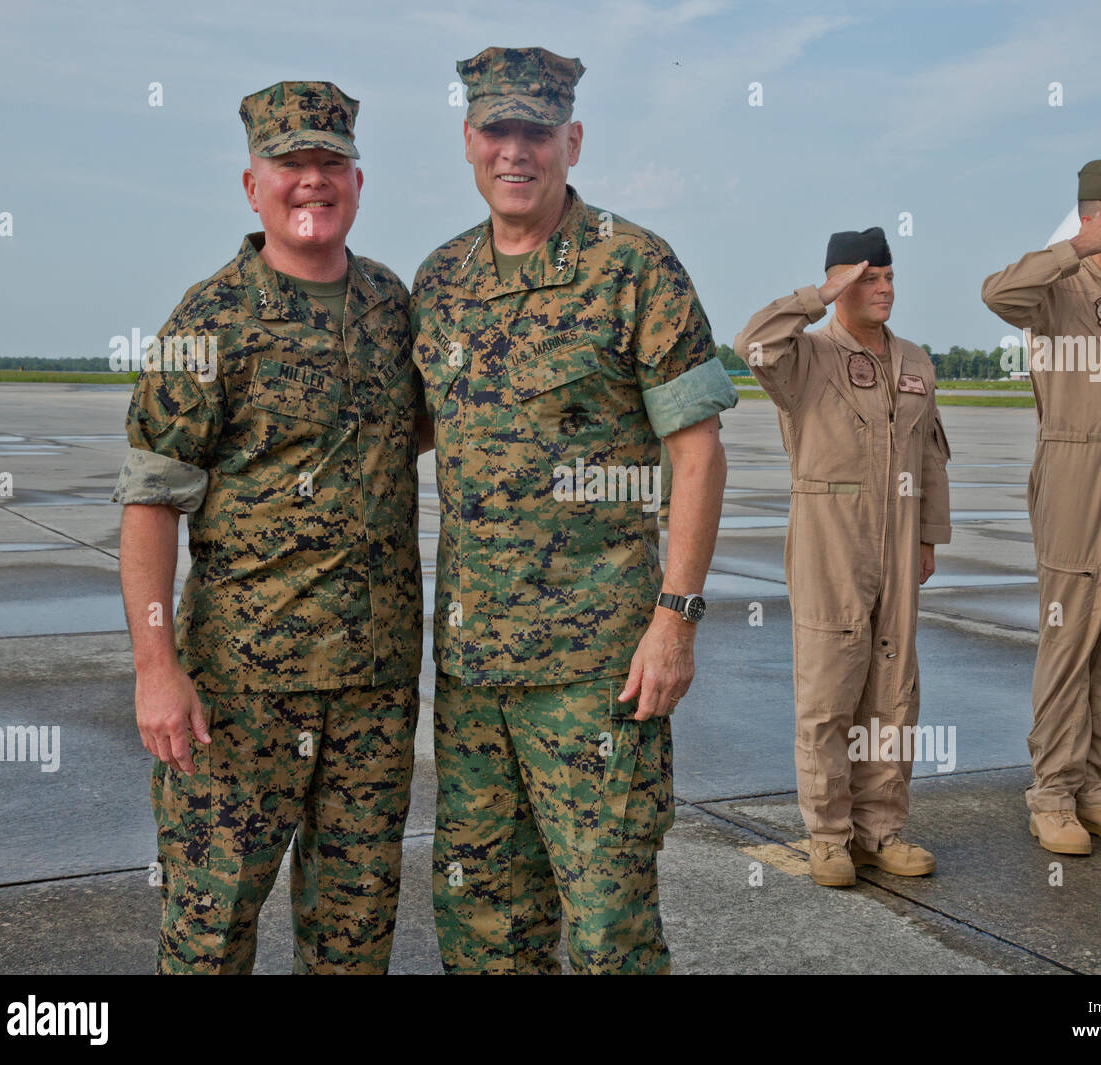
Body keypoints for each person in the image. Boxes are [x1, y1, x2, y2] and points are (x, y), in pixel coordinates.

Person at [410, 46, 737, 973]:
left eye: (536, 133)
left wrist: (675, 618)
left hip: (595, 674)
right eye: (496, 131)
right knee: (482, 924)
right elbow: (414, 432)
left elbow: (697, 453)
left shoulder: (634, 266)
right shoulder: (440, 284)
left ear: (572, 141)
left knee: (608, 928)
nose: (516, 152)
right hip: (473, 673)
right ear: (469, 141)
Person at [112, 81, 426, 972]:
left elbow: (428, 426)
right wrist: (155, 668)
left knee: (354, 940)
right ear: (254, 185)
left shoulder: (391, 308)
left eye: (331, 163)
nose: (312, 182)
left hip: (373, 691)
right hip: (239, 697)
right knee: (210, 933)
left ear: (357, 182)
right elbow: (148, 504)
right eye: (292, 164)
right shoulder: (205, 322)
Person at [735, 227, 950, 887]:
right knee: (829, 692)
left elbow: (932, 455)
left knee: (893, 694)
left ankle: (880, 828)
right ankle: (828, 836)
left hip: (897, 537)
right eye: (868, 279)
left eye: (888, 277)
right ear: (839, 284)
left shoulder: (915, 360)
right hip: (830, 536)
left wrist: (927, 537)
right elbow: (753, 344)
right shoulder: (806, 357)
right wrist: (815, 296)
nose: (884, 289)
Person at [982, 159, 1101, 855]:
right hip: (1073, 481)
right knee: (1071, 636)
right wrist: (1076, 249)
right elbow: (996, 292)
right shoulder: (1057, 291)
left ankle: (1095, 788)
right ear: (1092, 216)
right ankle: (1052, 793)